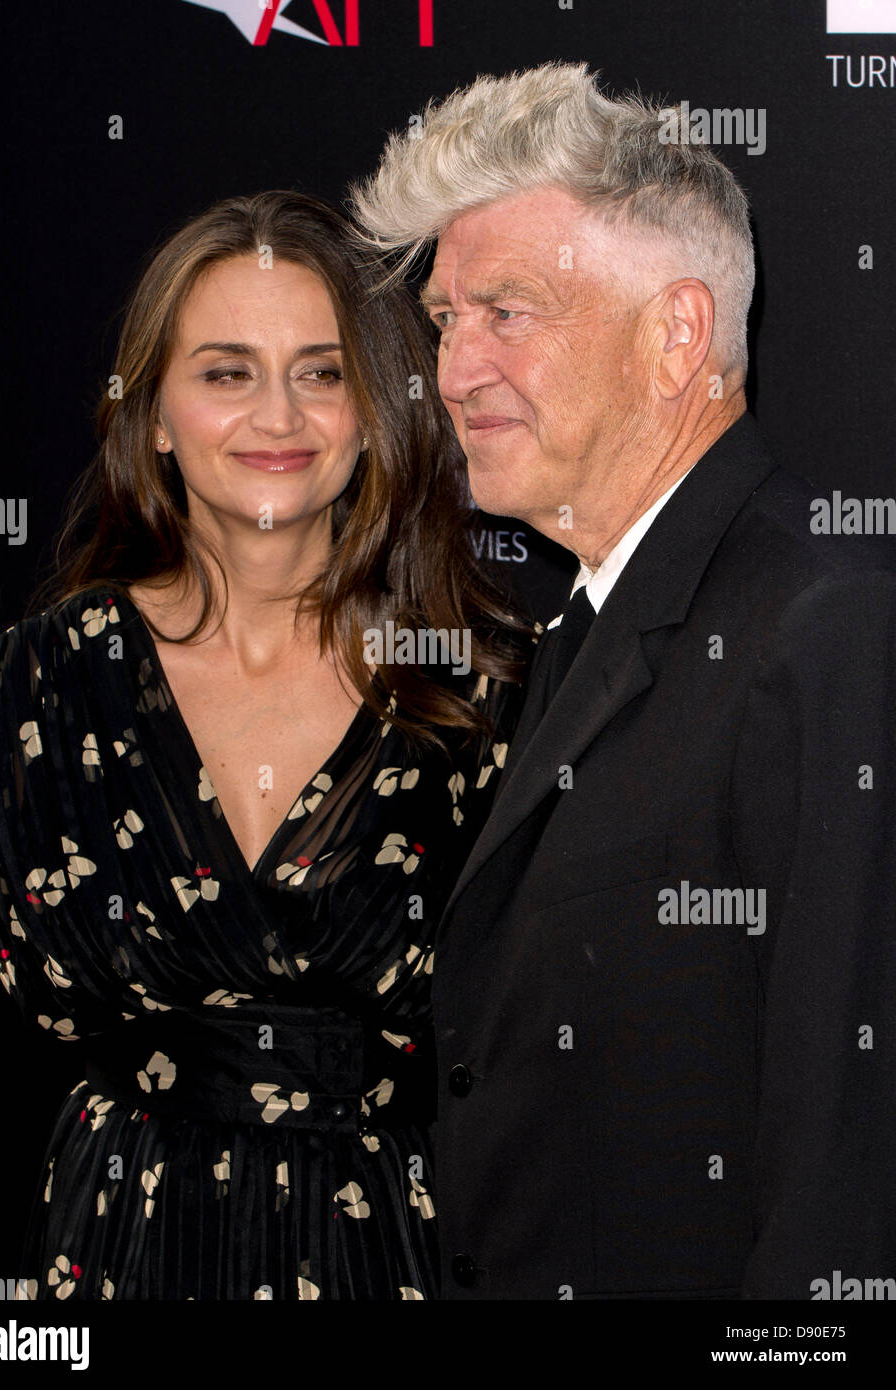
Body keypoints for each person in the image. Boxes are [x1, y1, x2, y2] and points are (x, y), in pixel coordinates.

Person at [352, 62, 896, 1299]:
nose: (452, 372)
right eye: (445, 320)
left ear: (676, 337)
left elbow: (845, 1168)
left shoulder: (828, 633)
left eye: (507, 311)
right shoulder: (582, 631)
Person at [0, 190, 528, 1301]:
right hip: (121, 1243)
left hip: (400, 1250)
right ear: (153, 413)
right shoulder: (34, 688)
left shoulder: (491, 685)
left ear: (374, 410)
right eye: (226, 372)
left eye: (322, 372)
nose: (280, 416)